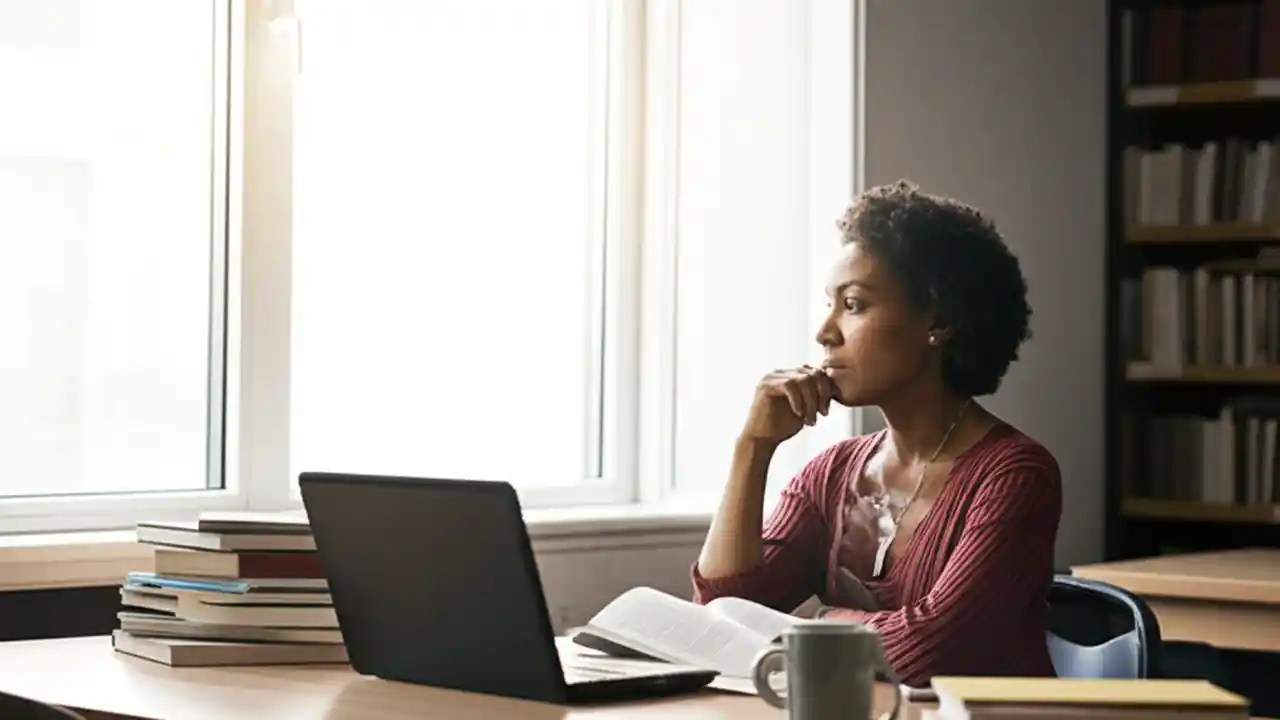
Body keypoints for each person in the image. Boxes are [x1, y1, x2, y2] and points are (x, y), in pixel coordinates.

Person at [691, 180, 1061, 688]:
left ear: (939, 321)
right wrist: (752, 449)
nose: (825, 332)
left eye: (854, 304)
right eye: (830, 304)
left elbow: (930, 651)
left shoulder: (1015, 476)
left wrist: (810, 624)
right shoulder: (832, 473)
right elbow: (718, 615)